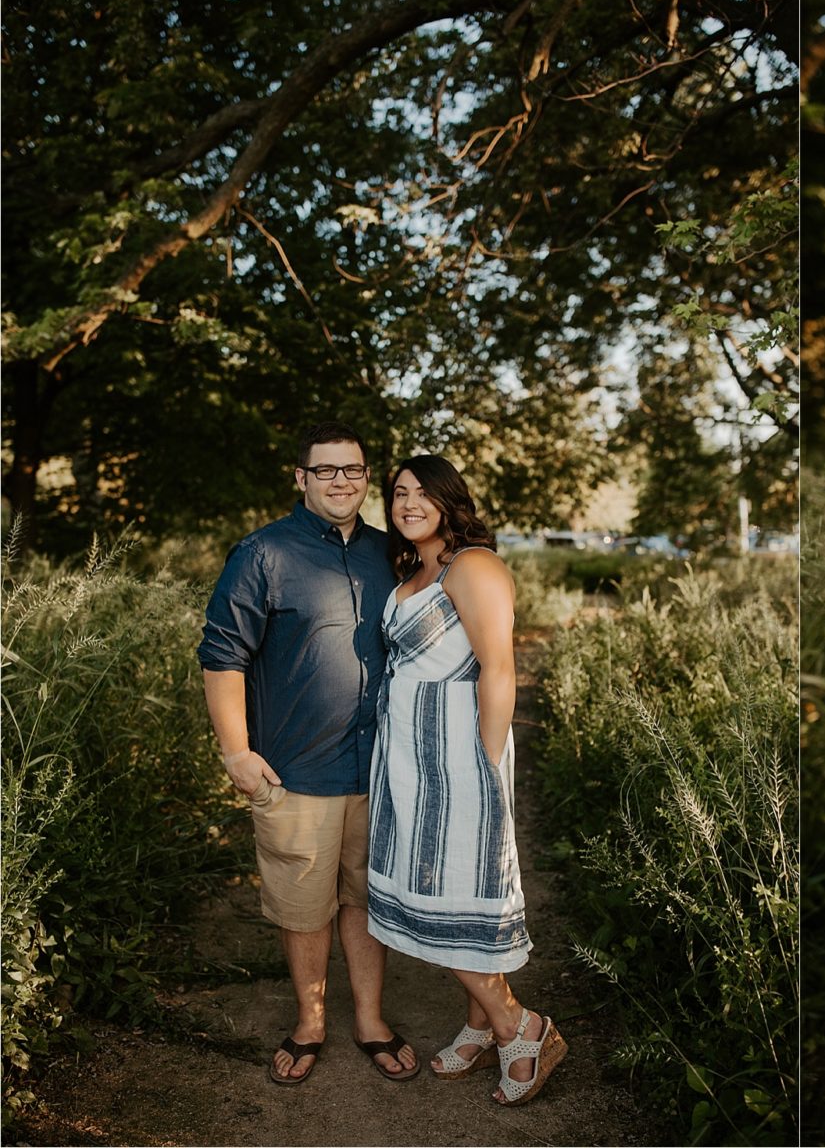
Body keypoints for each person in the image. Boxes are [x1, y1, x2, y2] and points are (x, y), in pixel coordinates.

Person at [199, 421, 420, 1085]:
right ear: (300, 478)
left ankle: (372, 1020)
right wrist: (235, 751)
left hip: (380, 770)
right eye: (325, 470)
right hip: (297, 772)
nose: (341, 481)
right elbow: (222, 654)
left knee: (367, 902)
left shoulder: (393, 553)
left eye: (352, 469)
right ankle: (310, 1021)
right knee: (304, 907)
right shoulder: (264, 553)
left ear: (365, 476)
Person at [365, 454, 566, 1106]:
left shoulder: (473, 565)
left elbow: (498, 670)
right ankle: (480, 1024)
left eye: (423, 492)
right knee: (435, 894)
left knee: (450, 897)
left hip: (457, 761)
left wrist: (482, 765)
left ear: (451, 500)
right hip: (406, 761)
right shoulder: (414, 568)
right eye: (398, 493)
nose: (408, 502)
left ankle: (520, 1026)